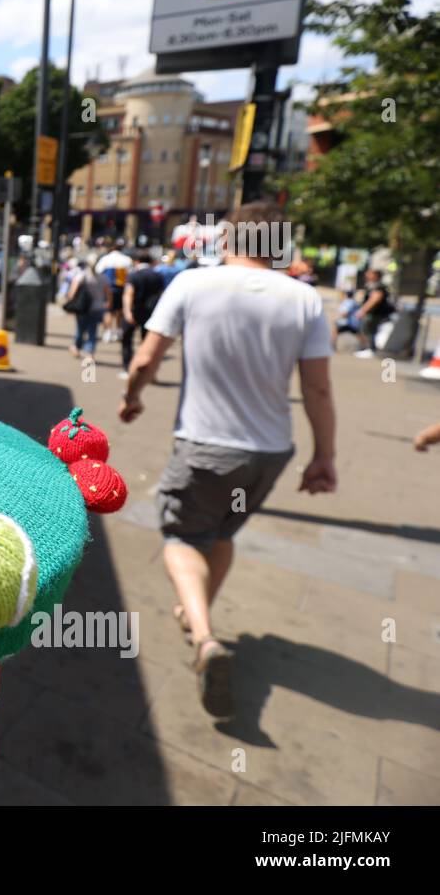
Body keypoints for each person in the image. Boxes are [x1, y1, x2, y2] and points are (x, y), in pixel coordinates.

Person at [119, 201, 336, 719]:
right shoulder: (304, 300)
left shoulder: (193, 285)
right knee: (220, 537)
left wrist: (132, 396)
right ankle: (194, 613)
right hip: (269, 453)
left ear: (228, 241)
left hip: (205, 444)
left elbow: (148, 356)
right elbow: (318, 389)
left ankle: (206, 638)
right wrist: (324, 456)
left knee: (180, 537)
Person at [120, 251, 164, 379]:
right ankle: (148, 371)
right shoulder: (157, 276)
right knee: (147, 343)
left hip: (134, 311)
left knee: (127, 341)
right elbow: (161, 295)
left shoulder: (133, 275)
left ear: (137, 261)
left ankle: (128, 368)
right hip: (151, 313)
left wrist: (127, 312)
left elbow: (129, 294)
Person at [64, 256, 109, 362]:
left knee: (80, 329)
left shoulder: (81, 276)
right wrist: (108, 303)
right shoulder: (103, 277)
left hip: (83, 307)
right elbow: (108, 293)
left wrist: (70, 300)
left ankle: (76, 347)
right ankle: (90, 352)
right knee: (92, 330)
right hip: (97, 307)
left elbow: (72, 292)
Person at [95, 239, 133, 342]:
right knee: (120, 311)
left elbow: (98, 271)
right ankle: (118, 331)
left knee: (108, 311)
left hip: (108, 288)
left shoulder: (105, 259)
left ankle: (108, 332)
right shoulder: (127, 259)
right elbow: (131, 274)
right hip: (122, 288)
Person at [354, 268, 394, 358]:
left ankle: (371, 349)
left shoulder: (378, 286)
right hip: (373, 313)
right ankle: (368, 348)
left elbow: (375, 299)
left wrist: (363, 310)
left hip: (374, 313)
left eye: (369, 273)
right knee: (367, 329)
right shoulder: (372, 285)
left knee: (369, 330)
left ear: (375, 275)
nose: (367, 275)